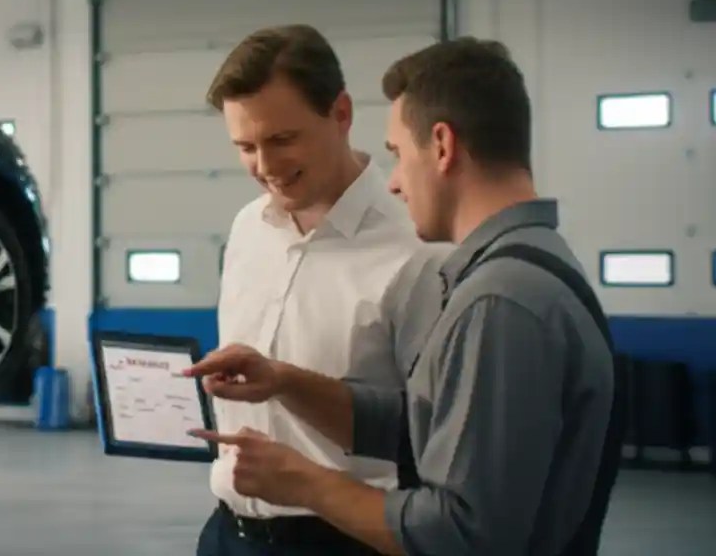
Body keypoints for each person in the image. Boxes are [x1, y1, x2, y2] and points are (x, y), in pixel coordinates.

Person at [187, 37, 622, 556]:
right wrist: (283, 381)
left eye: (397, 154)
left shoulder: (499, 300)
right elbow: (430, 428)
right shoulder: (529, 270)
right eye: (246, 146)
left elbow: (464, 531)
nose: (393, 182)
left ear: (441, 146)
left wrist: (306, 483)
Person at [194, 24, 441, 556]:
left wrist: (286, 384)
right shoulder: (247, 228)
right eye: (245, 147)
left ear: (342, 113)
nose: (265, 168)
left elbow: (431, 432)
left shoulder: (415, 248)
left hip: (345, 542)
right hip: (227, 534)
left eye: (282, 140)